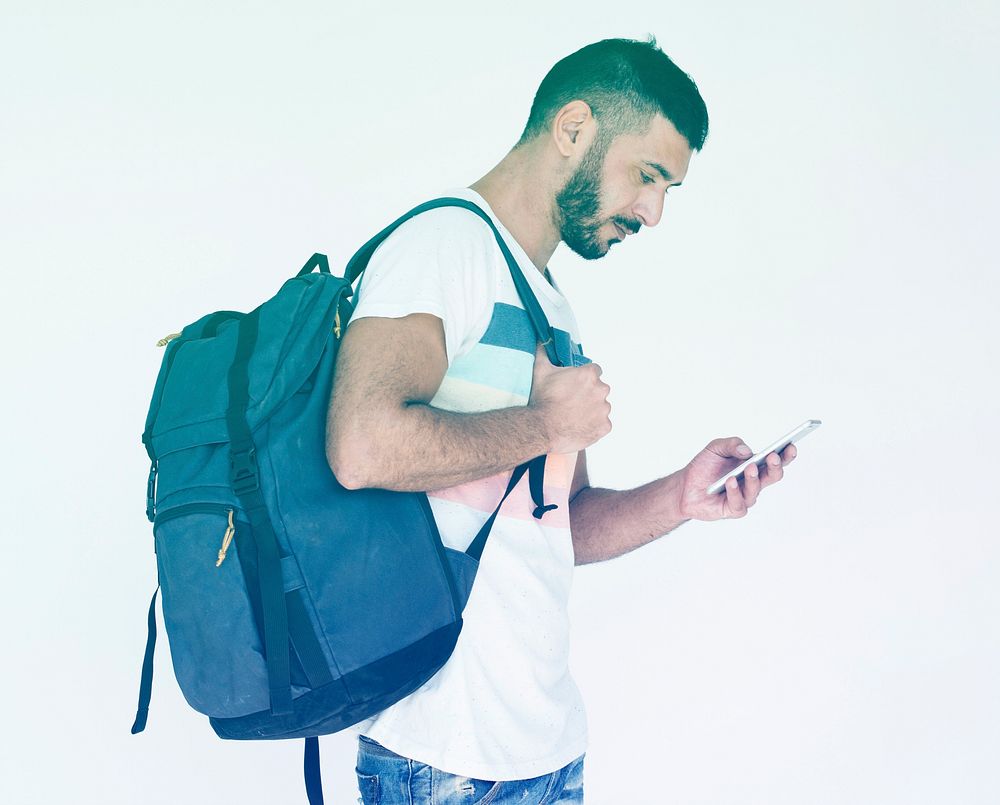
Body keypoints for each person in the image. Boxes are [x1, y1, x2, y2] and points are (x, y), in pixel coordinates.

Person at [327, 35, 797, 805]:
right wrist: (546, 421)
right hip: (444, 760)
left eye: (667, 189)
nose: (653, 212)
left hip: (545, 752)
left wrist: (681, 495)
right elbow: (362, 443)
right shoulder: (445, 246)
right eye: (648, 176)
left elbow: (559, 524)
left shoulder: (550, 303)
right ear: (575, 128)